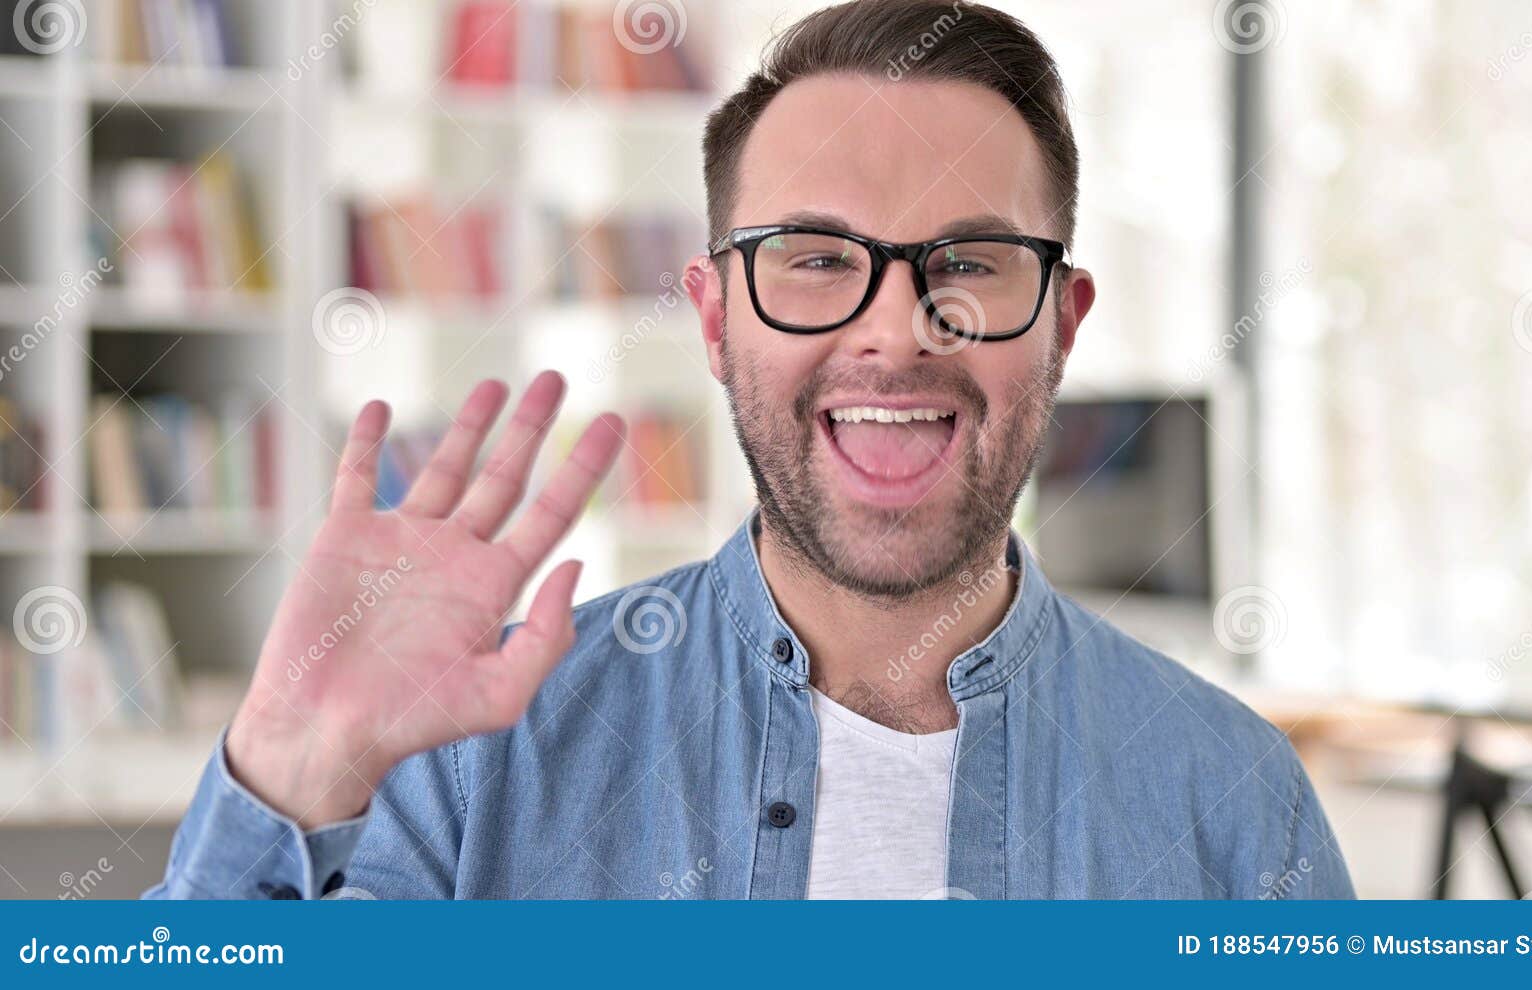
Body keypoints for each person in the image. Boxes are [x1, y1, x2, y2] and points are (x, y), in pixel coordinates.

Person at [147, 0, 1354, 900]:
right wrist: (287, 774)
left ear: (1061, 322)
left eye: (971, 263)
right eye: (819, 259)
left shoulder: (1233, 803)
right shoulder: (471, 764)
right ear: (717, 320)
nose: (895, 329)